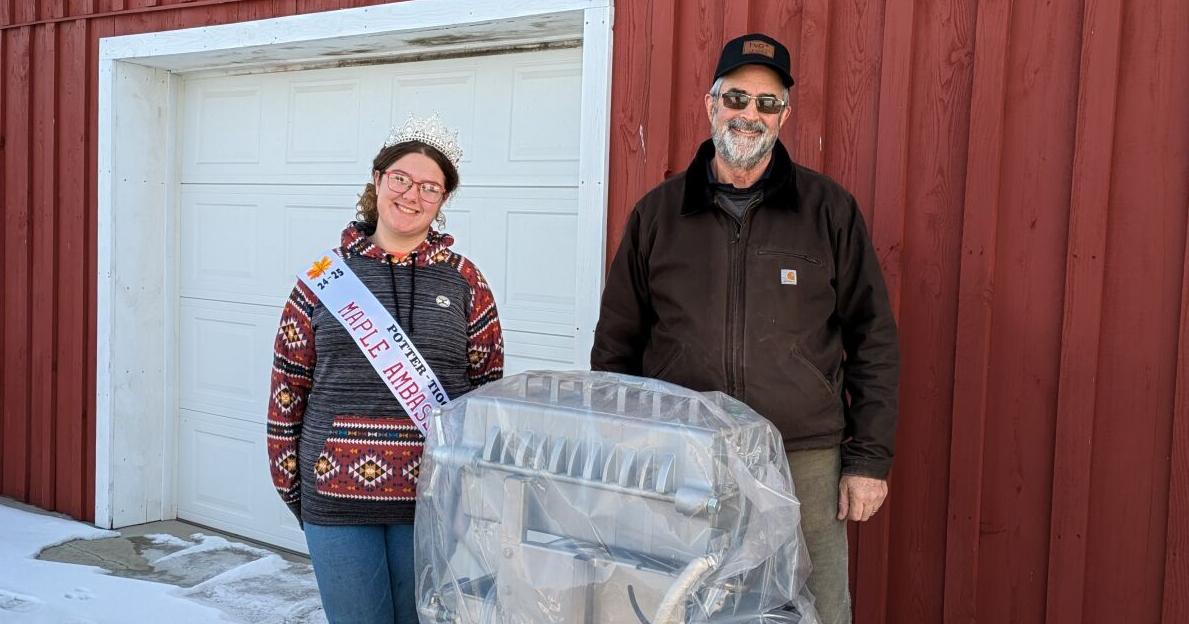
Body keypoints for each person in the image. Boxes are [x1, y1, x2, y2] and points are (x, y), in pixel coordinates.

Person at [591, 33, 899, 624]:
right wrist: (621, 452)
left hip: (801, 456)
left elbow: (873, 339)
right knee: (681, 598)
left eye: (768, 103)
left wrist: (868, 461)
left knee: (814, 603)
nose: (749, 115)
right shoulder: (658, 214)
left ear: (786, 114)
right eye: (737, 98)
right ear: (711, 104)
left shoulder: (828, 210)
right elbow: (616, 345)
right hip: (683, 452)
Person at [265, 114, 504, 624]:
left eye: (430, 188)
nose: (411, 195)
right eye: (400, 178)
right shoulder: (323, 280)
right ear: (377, 181)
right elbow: (287, 396)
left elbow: (487, 395)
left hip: (431, 505)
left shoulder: (466, 283)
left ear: (442, 201)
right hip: (335, 503)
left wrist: (467, 496)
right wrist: (299, 491)